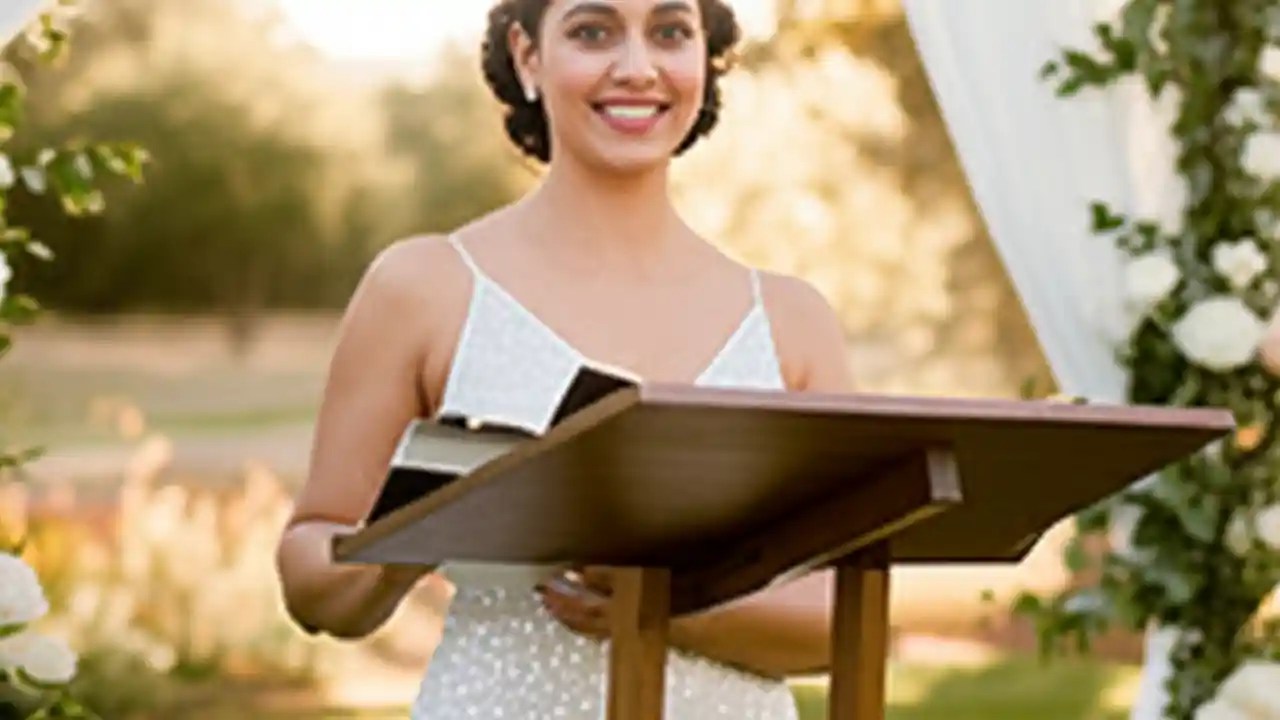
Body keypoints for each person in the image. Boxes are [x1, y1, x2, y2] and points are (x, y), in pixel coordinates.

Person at [274, 0, 855, 717]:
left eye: (670, 33)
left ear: (703, 59)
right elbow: (311, 577)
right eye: (592, 32)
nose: (637, 68)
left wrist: (661, 605)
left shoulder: (792, 321)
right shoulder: (424, 287)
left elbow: (841, 618)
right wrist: (409, 540)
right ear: (528, 56)